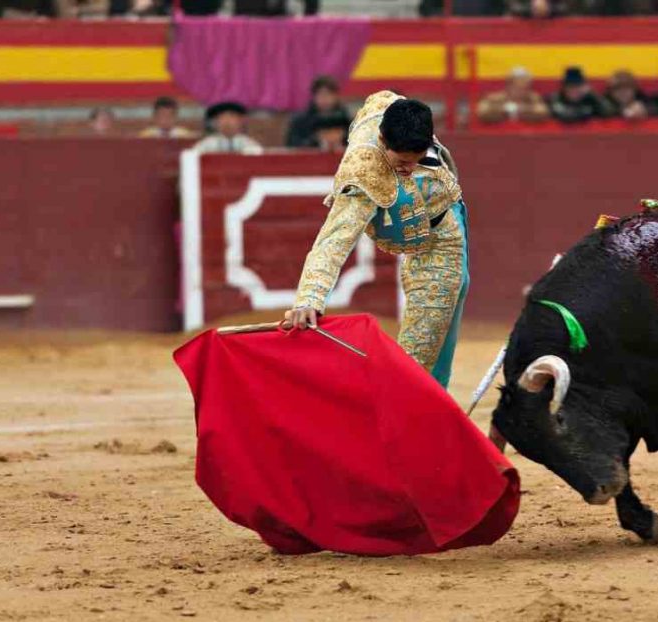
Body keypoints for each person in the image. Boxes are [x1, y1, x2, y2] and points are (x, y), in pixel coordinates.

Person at [285, 92, 469, 388]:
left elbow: (382, 100)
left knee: (457, 292)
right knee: (418, 353)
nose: (409, 167)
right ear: (383, 141)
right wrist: (309, 298)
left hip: (447, 217)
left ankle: (435, 401)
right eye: (401, 161)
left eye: (416, 159)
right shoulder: (363, 174)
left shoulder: (396, 112)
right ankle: (423, 405)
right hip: (434, 244)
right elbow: (334, 240)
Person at [286, 76, 350, 148]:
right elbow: (291, 147)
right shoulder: (300, 122)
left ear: (336, 96)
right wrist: (316, 140)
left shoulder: (348, 122)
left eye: (329, 94)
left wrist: (342, 138)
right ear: (313, 97)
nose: (325, 98)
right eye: (321, 94)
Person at [476, 67, 550, 124]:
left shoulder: (533, 98)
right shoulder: (494, 98)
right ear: (508, 86)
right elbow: (482, 111)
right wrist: (505, 109)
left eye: (525, 88)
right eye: (517, 87)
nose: (521, 91)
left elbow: (543, 112)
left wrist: (520, 109)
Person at [193, 102, 263, 155]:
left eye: (231, 116)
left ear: (241, 120)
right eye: (221, 117)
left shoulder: (250, 144)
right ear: (215, 123)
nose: (227, 121)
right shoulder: (205, 145)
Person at [548, 67, 612, 124]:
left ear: (584, 87)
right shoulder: (555, 98)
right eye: (570, 86)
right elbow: (566, 116)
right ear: (564, 88)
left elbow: (608, 111)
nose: (574, 90)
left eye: (578, 86)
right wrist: (585, 112)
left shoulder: (590, 98)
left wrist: (592, 94)